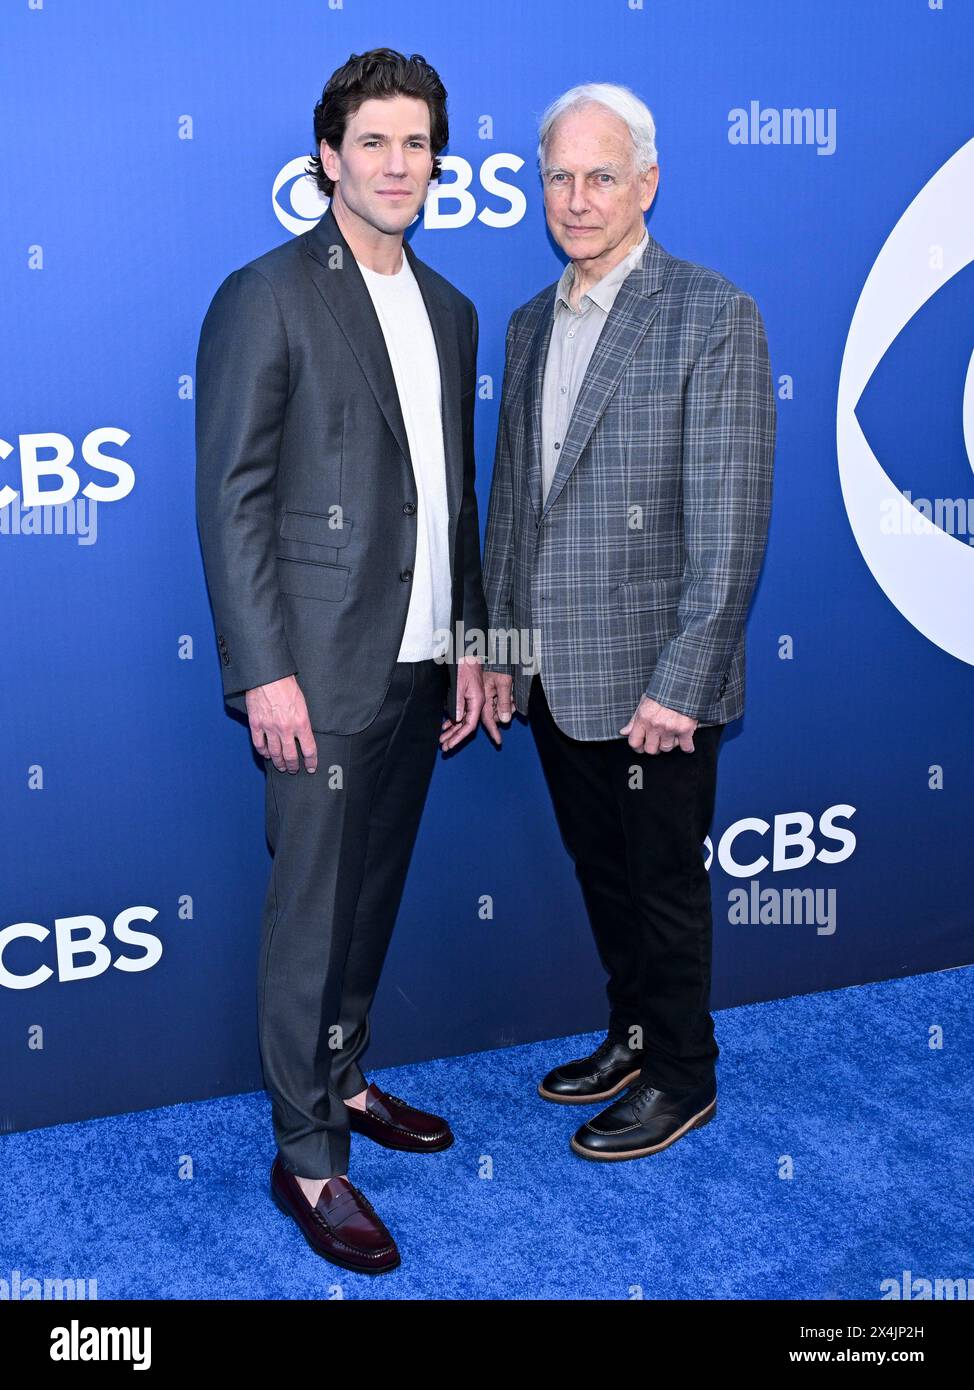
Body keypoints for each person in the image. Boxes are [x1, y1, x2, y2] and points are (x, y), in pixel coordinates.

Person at [195, 48, 487, 1272]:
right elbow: (232, 498)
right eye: (373, 142)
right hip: (312, 672)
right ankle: (309, 1157)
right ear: (327, 159)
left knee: (368, 900)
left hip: (420, 664)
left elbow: (457, 504)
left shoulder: (453, 308)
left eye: (416, 143)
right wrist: (263, 670)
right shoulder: (265, 294)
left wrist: (479, 646)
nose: (397, 164)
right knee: (311, 915)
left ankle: (346, 1073)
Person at [481, 83, 775, 1162]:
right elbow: (514, 506)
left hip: (655, 682)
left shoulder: (712, 313)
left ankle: (684, 1075)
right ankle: (634, 1033)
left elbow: (732, 521)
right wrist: (501, 657)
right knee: (601, 874)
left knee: (661, 885)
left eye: (599, 175)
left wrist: (680, 684)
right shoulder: (525, 325)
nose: (575, 196)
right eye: (557, 175)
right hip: (556, 676)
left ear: (646, 183)